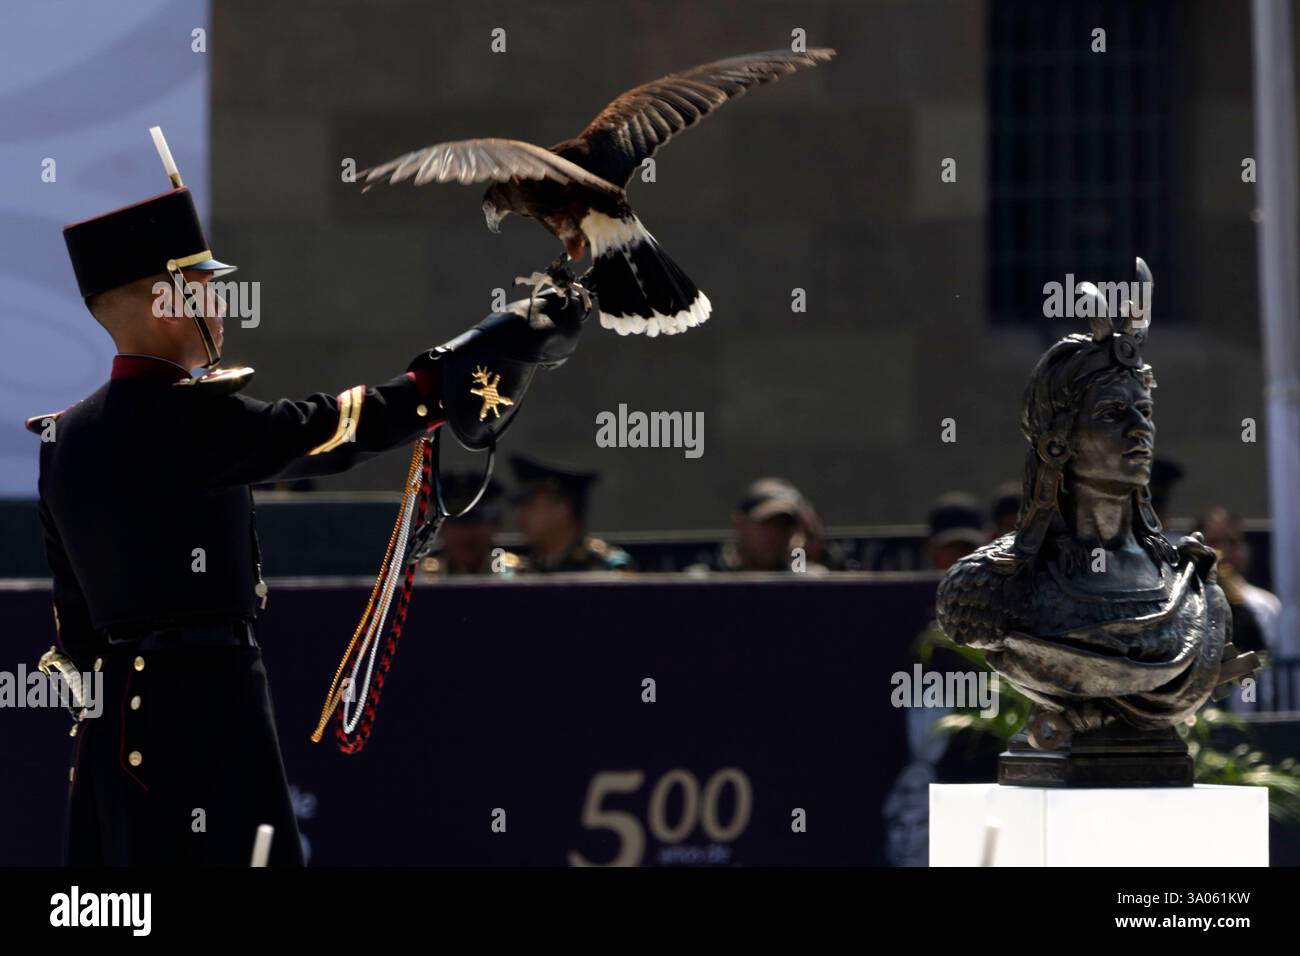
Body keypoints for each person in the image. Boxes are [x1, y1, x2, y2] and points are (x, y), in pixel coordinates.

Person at [29, 171, 592, 865]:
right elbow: (336, 429)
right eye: (204, 287)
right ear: (166, 304)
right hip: (197, 708)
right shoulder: (184, 417)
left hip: (117, 728)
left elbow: (76, 622)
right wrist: (485, 351)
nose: (220, 301)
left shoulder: (65, 437)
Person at [510, 454, 634, 572]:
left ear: (562, 508)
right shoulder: (524, 571)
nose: (519, 517)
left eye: (529, 505)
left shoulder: (604, 571)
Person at [1197, 507, 1281, 656]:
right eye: (1213, 542)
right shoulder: (1185, 602)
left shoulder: (1266, 604)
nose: (1223, 551)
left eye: (1232, 542)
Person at [691, 478, 823, 572]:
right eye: (767, 523)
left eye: (784, 526)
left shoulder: (805, 582)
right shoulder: (704, 581)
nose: (775, 534)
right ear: (739, 523)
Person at [419, 472, 524, 577]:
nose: (466, 534)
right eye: (457, 523)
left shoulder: (518, 574)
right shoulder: (421, 577)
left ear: (494, 526)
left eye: (476, 522)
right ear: (440, 529)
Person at [925, 492, 988, 571]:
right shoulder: (915, 582)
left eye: (967, 548)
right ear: (932, 549)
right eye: (952, 549)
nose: (961, 558)